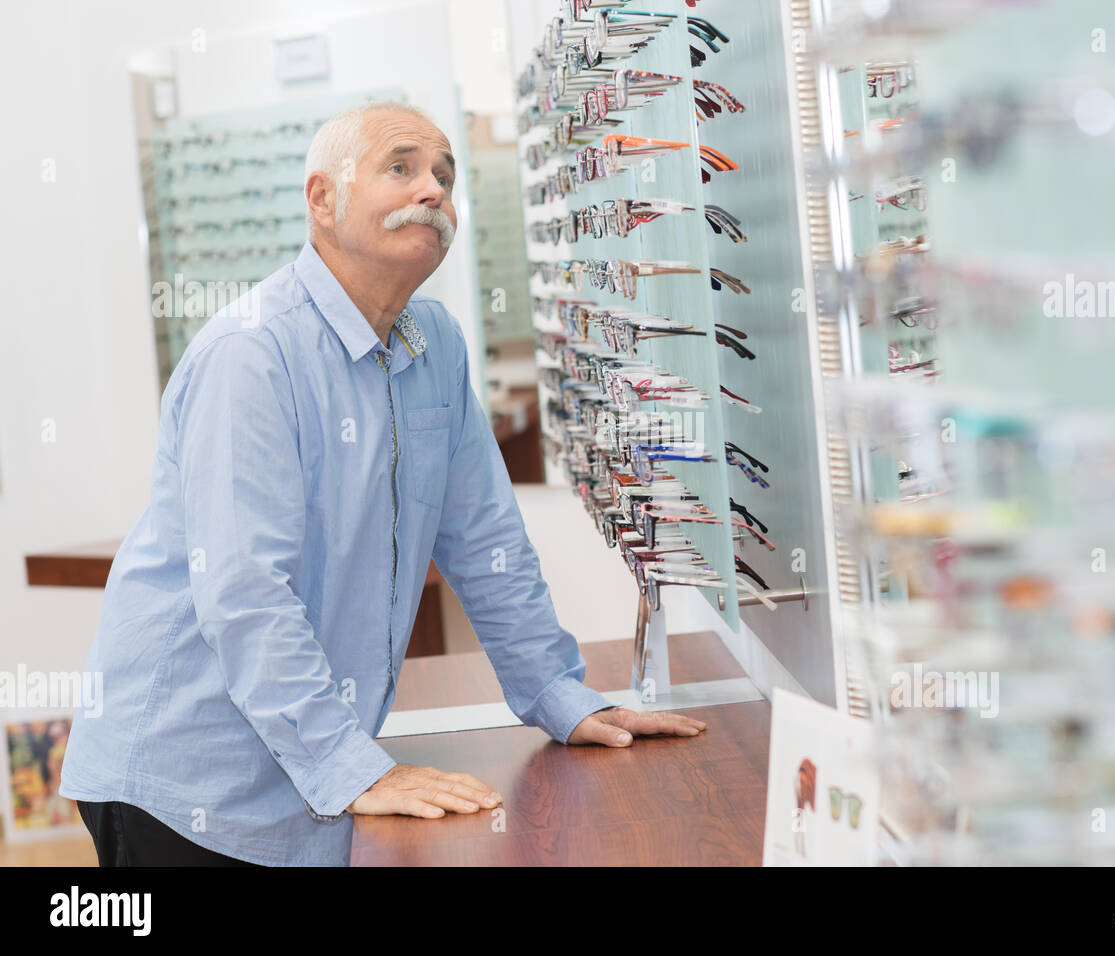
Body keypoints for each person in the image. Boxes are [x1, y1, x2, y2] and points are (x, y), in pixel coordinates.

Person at [59, 100, 706, 867]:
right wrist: (350, 767)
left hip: (310, 771)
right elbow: (243, 591)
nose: (431, 189)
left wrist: (558, 696)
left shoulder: (436, 344)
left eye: (443, 174)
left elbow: (487, 541)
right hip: (183, 780)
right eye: (400, 167)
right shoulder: (252, 355)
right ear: (322, 200)